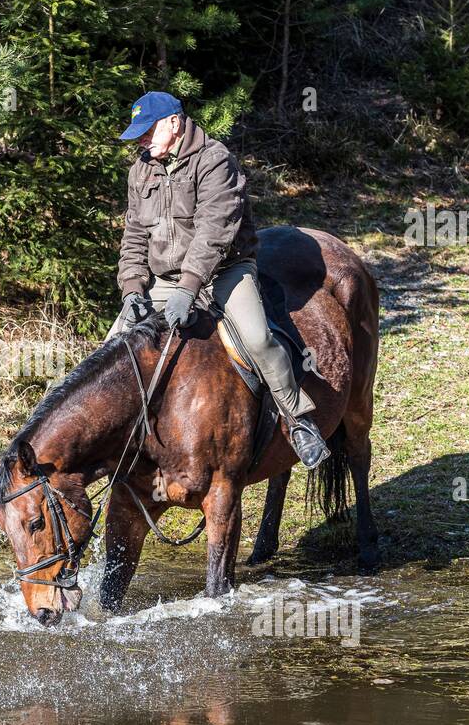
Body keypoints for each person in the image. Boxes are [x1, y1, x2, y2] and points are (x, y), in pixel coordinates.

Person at [108, 90, 330, 469]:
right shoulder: (141, 170)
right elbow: (134, 236)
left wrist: (189, 287)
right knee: (111, 349)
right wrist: (131, 290)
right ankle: (117, 441)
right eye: (139, 135)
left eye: (147, 132)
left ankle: (298, 420)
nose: (142, 141)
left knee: (259, 339)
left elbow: (215, 231)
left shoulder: (215, 160)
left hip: (225, 271)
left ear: (173, 123)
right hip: (164, 278)